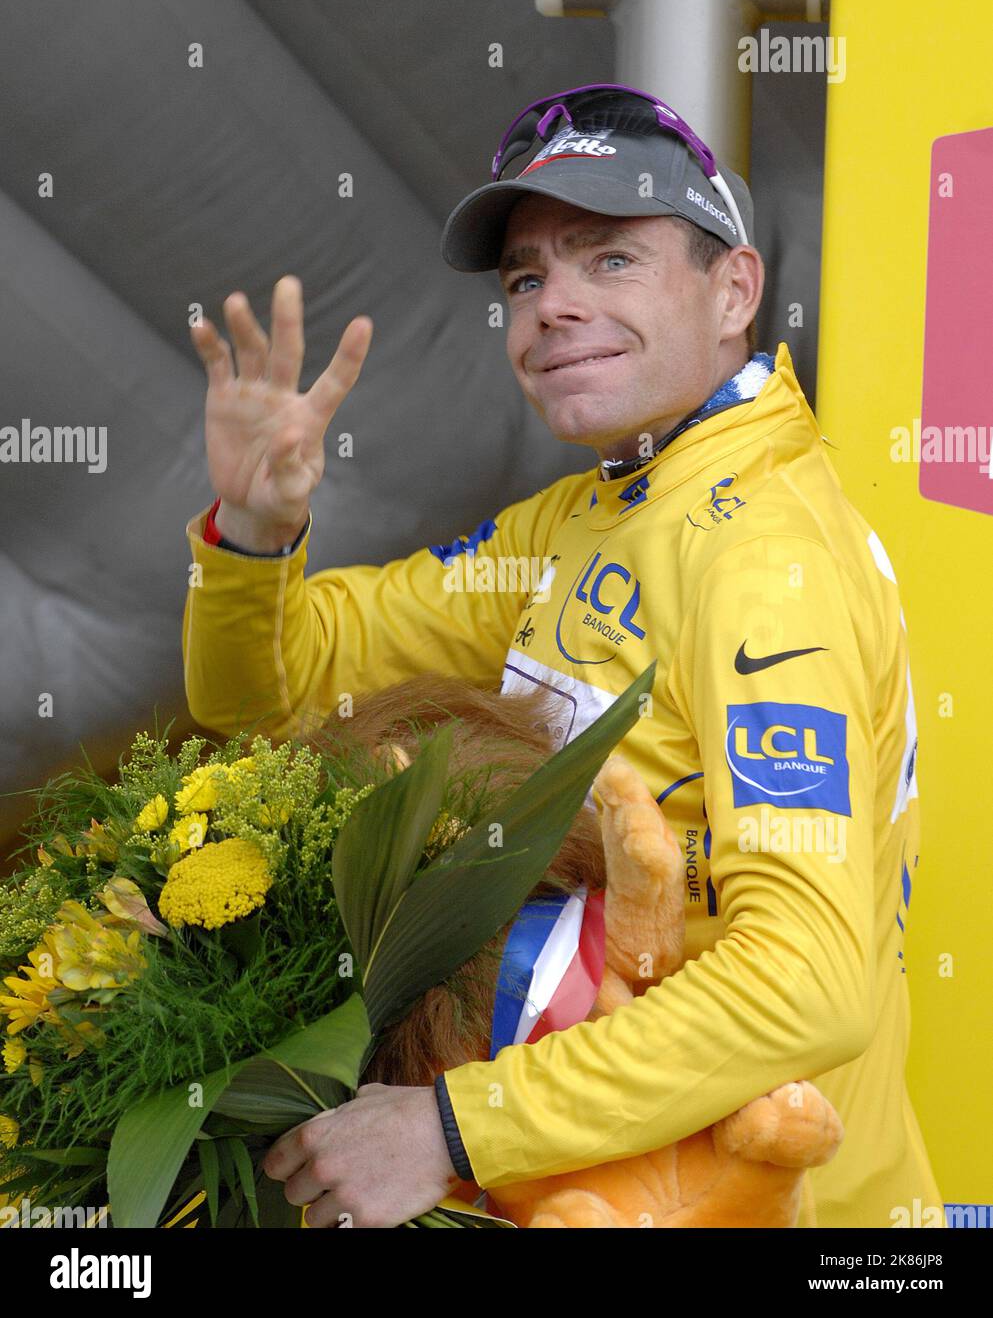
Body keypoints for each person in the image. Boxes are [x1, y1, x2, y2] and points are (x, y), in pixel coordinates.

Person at [183, 85, 945, 1228]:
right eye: (528, 280)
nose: (554, 307)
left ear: (734, 290)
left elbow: (812, 980)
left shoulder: (768, 555)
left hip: (785, 1204)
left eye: (610, 260)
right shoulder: (589, 518)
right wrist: (254, 531)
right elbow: (281, 689)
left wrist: (450, 1128)